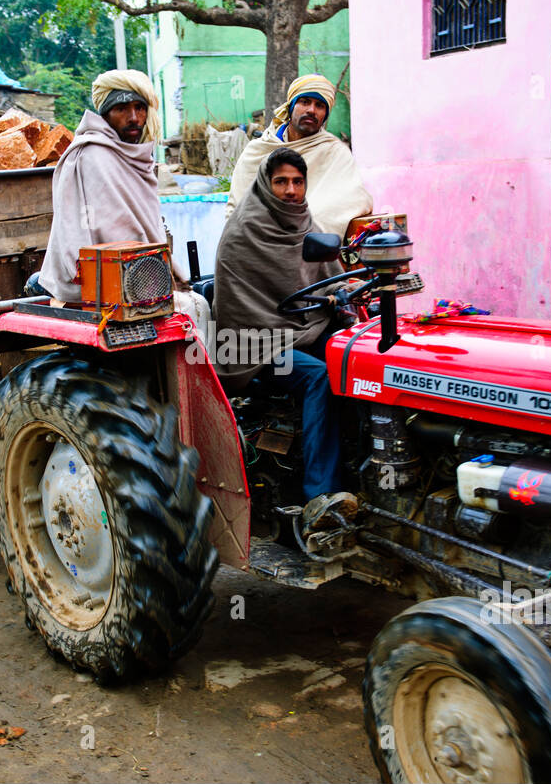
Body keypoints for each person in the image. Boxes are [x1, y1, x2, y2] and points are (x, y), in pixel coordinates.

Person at [213, 148, 345, 503]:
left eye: (298, 182)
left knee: (355, 354)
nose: (290, 191)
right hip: (256, 343)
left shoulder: (305, 224)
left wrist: (343, 292)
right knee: (319, 377)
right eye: (281, 181)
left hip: (305, 330)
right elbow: (238, 310)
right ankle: (321, 495)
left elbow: (328, 279)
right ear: (266, 185)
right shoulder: (242, 232)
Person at [36, 69, 191, 301]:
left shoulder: (139, 157)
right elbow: (106, 230)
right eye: (122, 109)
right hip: (111, 279)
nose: (134, 118)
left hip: (144, 271)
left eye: (139, 108)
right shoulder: (92, 156)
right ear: (106, 114)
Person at [226, 74, 373, 238]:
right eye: (304, 102)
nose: (311, 110)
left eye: (319, 106)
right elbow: (238, 207)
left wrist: (300, 225)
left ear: (325, 114)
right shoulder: (258, 151)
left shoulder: (335, 152)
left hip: (310, 251)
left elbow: (355, 198)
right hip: (259, 245)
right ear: (290, 107)